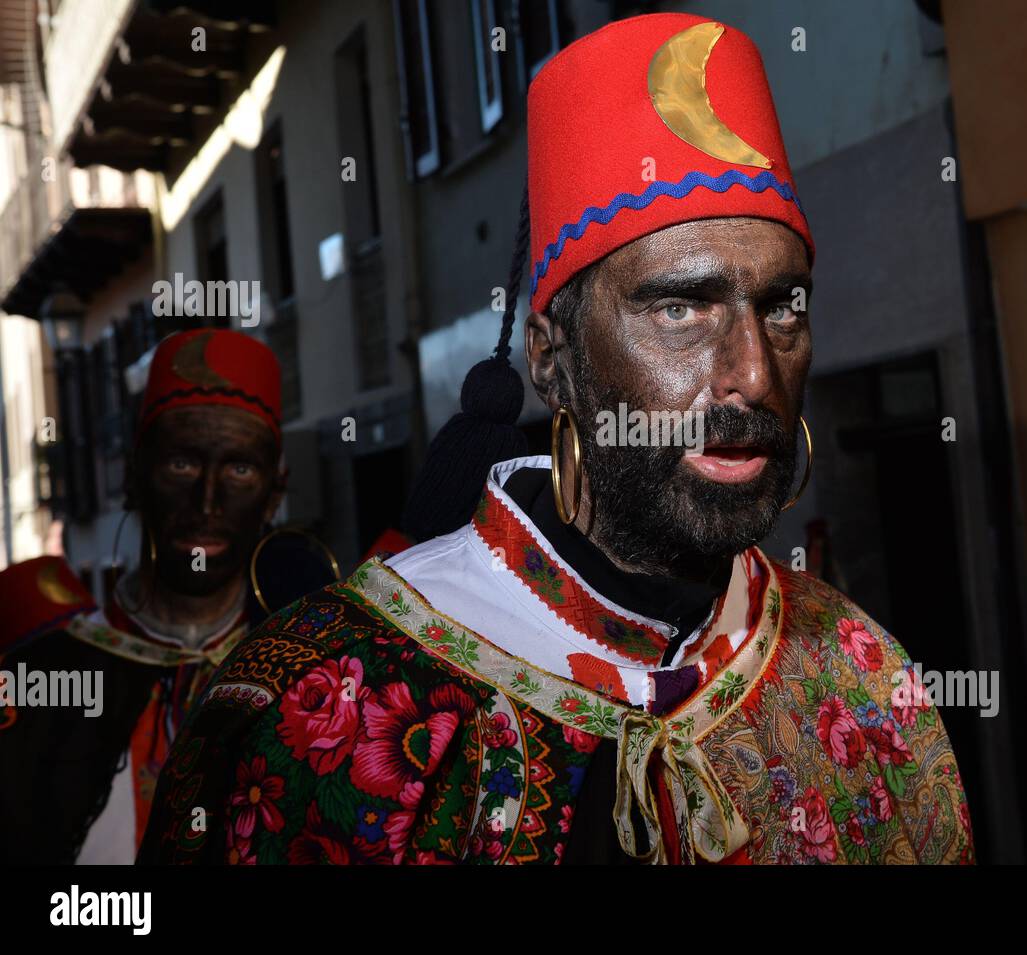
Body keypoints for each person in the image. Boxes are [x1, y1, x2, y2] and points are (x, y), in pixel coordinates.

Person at [139, 12, 974, 865]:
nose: (754, 375)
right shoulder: (318, 700)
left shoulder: (859, 674)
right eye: (680, 308)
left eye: (781, 307)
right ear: (552, 357)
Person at [0, 328, 334, 864]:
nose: (207, 500)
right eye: (181, 463)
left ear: (275, 492)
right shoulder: (42, 670)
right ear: (135, 476)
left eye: (240, 468)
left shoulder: (317, 677)